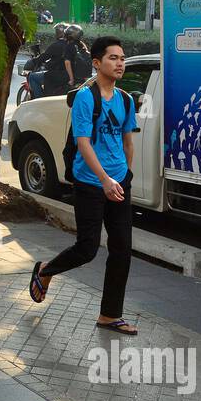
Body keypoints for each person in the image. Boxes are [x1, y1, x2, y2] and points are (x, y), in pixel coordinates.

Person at [28, 36, 139, 335]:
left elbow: (128, 141)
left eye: (122, 58)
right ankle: (45, 271)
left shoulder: (125, 99)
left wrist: (125, 176)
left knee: (122, 251)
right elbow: (83, 143)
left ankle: (109, 315)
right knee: (87, 248)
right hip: (91, 182)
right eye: (113, 58)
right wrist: (104, 179)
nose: (119, 63)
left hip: (117, 183)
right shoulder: (86, 97)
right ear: (97, 62)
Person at [24, 24, 87, 98]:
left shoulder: (62, 45)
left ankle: (39, 101)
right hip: (75, 76)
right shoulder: (82, 47)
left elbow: (65, 62)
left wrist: (32, 62)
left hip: (62, 75)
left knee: (32, 77)